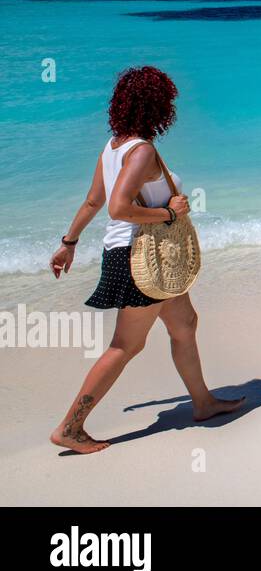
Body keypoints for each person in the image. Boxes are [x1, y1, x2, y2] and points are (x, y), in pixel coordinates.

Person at [48, 66, 242, 453]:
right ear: (157, 107)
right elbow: (118, 208)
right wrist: (170, 214)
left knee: (184, 324)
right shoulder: (142, 150)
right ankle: (70, 427)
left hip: (138, 256)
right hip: (139, 258)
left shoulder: (114, 146)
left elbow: (93, 200)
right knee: (125, 346)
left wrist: (69, 241)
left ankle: (202, 403)